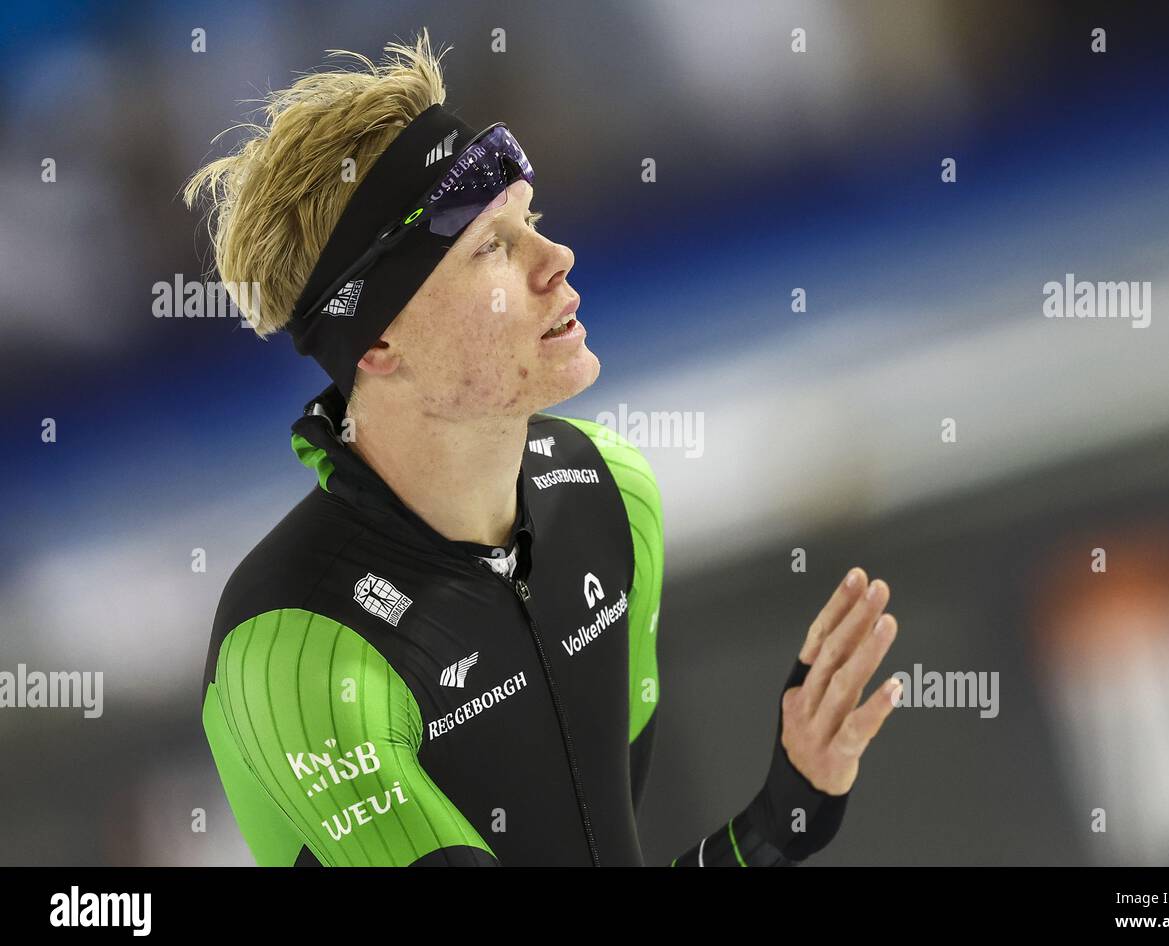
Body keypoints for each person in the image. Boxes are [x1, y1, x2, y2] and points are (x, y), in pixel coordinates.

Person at [184, 29, 901, 867]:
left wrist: (787, 814)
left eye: (530, 222)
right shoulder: (297, 642)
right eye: (490, 246)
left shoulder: (609, 492)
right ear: (379, 344)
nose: (556, 260)